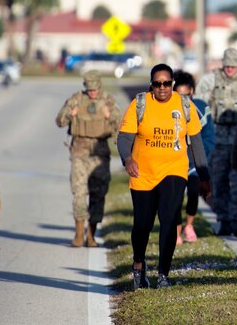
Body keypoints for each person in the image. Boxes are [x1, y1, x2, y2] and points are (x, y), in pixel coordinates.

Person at [118, 64, 210, 289]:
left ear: (172, 84)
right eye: (157, 83)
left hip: (174, 170)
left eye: (166, 83)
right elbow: (124, 138)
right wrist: (128, 160)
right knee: (142, 224)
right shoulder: (140, 104)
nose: (162, 88)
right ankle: (139, 265)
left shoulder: (184, 105)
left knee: (169, 220)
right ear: (152, 84)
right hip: (143, 173)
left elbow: (196, 143)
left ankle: (163, 274)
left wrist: (205, 176)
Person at [55, 70, 123, 247]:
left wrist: (111, 116)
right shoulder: (76, 99)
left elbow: (122, 124)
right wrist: (71, 113)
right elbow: (60, 121)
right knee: (78, 192)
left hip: (100, 154)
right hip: (79, 152)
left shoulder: (108, 101)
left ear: (99, 86)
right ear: (85, 87)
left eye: (95, 89)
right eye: (89, 89)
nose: (92, 93)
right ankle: (79, 233)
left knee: (98, 193)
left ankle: (91, 234)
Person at [195, 48, 237, 235]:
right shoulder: (210, 80)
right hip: (218, 139)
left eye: (233, 66)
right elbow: (198, 106)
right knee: (219, 181)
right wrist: (210, 97)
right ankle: (223, 219)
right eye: (226, 66)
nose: (229, 70)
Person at [172, 71, 214, 244]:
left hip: (195, 163)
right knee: (175, 197)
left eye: (186, 95)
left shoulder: (201, 108)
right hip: (175, 163)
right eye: (179, 95)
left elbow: (209, 136)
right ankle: (176, 231)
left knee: (194, 194)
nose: (184, 99)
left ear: (192, 91)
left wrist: (200, 156)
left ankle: (189, 224)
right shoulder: (170, 111)